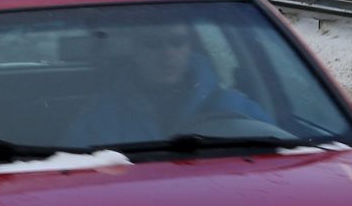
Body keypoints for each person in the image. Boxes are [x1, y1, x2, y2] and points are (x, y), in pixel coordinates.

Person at [73, 14, 273, 146]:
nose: (167, 53)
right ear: (134, 50)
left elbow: (279, 152)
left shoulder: (233, 107)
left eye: (177, 42)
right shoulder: (102, 117)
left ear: (189, 47)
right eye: (152, 44)